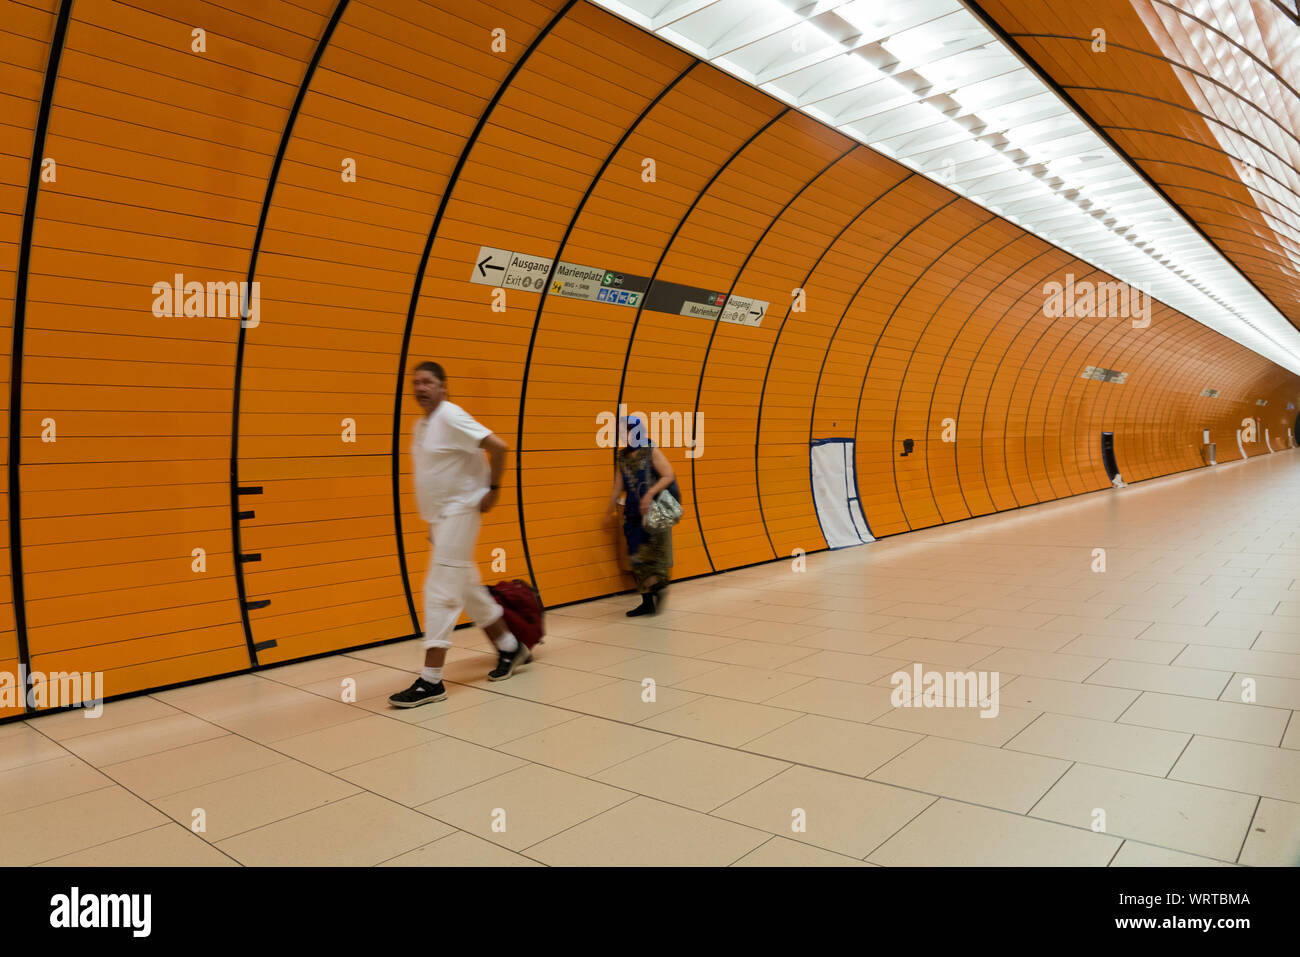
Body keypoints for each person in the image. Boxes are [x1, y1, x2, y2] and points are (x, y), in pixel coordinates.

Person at [389, 361, 529, 708]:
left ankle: (431, 681)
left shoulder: (451, 415)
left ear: (443, 387)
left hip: (462, 511)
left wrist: (493, 489)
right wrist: (436, 524)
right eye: (416, 382)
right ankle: (511, 648)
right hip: (443, 520)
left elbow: (499, 446)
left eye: (428, 382)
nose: (420, 388)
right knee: (465, 587)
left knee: (439, 591)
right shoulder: (422, 426)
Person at [605, 415, 679, 616]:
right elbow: (618, 486)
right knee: (636, 557)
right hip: (632, 513)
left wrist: (649, 493)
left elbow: (668, 475)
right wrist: (609, 509)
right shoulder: (622, 456)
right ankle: (647, 601)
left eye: (627, 431)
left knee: (654, 553)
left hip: (652, 511)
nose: (623, 435)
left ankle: (658, 588)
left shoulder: (650, 450)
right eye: (621, 431)